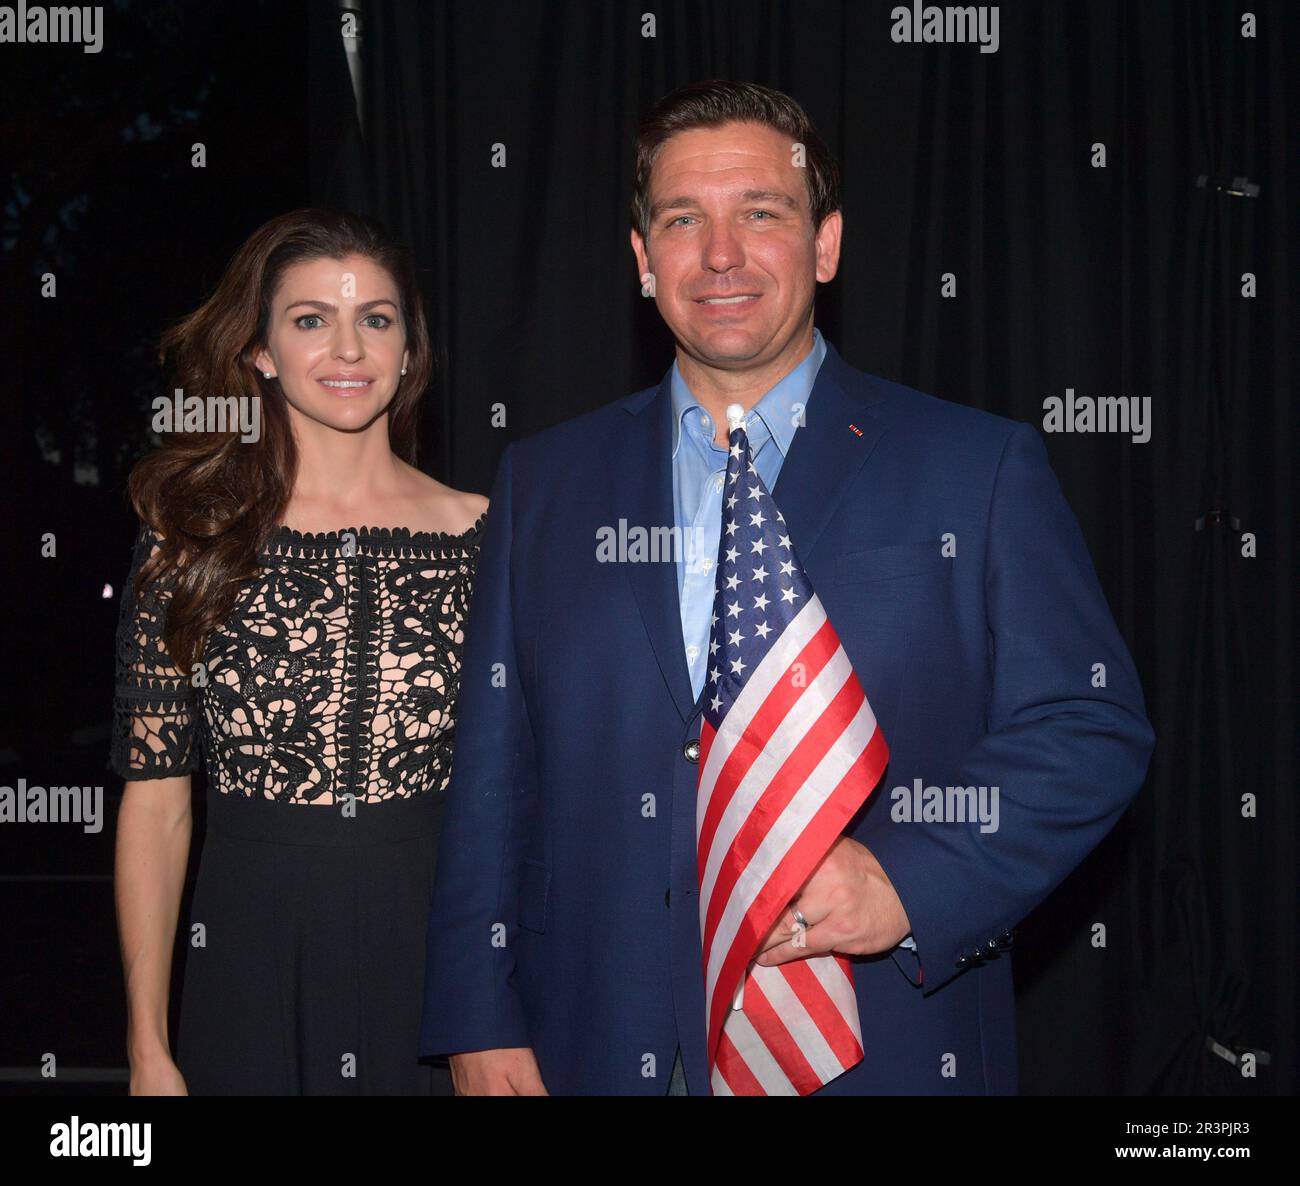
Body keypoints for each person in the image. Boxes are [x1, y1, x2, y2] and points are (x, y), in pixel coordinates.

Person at [418, 80, 1155, 1095]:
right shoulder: (543, 483)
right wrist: (474, 1016)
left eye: (761, 213)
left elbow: (1089, 723)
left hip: (881, 1038)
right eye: (683, 220)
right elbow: (492, 774)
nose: (720, 253)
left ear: (825, 244)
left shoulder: (975, 467)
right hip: (597, 1041)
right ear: (642, 259)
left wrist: (911, 876)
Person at [111, 208, 487, 1095]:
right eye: (312, 319)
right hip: (248, 958)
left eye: (377, 319)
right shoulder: (187, 540)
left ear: (407, 348)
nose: (349, 349)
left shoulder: (489, 534)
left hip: (438, 965)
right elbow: (157, 808)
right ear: (262, 353)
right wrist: (146, 1047)